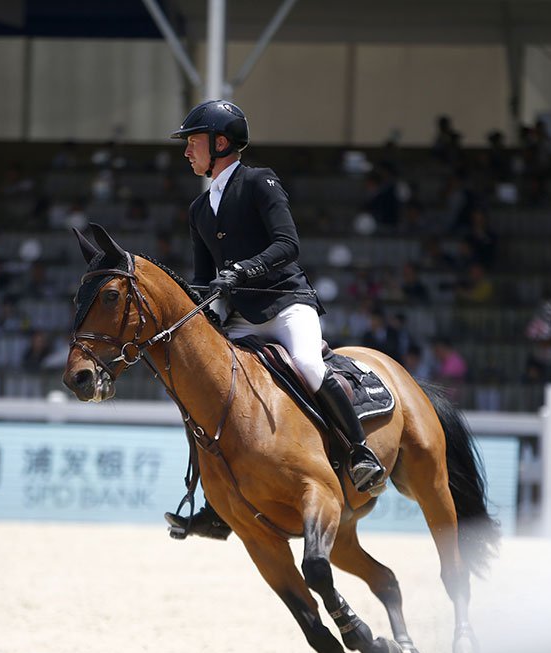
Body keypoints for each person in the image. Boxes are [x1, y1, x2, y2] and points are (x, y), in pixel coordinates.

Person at [164, 99, 386, 540]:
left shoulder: (259, 181)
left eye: (193, 142)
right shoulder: (198, 209)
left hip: (285, 303)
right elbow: (204, 276)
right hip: (242, 318)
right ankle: (215, 504)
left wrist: (245, 269)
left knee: (308, 364)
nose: (187, 152)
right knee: (208, 391)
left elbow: (288, 244)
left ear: (220, 142)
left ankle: (360, 454)